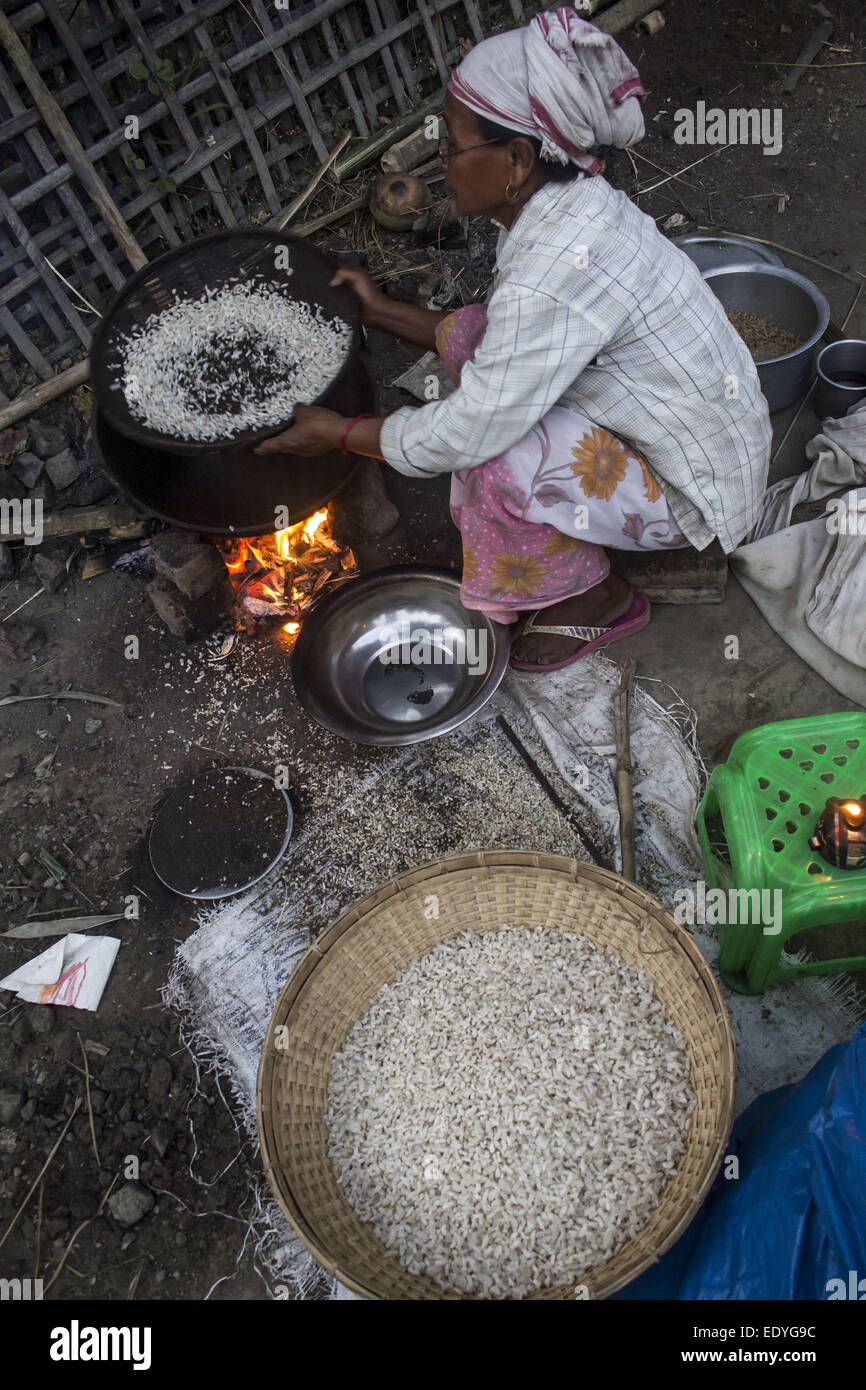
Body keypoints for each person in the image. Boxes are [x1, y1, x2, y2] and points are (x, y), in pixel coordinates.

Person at [256, 6, 772, 672]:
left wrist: (337, 432)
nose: (440, 161)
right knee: (477, 331)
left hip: (689, 485)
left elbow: (471, 432)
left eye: (454, 144)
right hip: (676, 425)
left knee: (492, 458)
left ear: (518, 158)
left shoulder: (555, 268)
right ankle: (570, 557)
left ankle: (598, 596)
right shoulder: (562, 205)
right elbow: (499, 339)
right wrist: (378, 310)